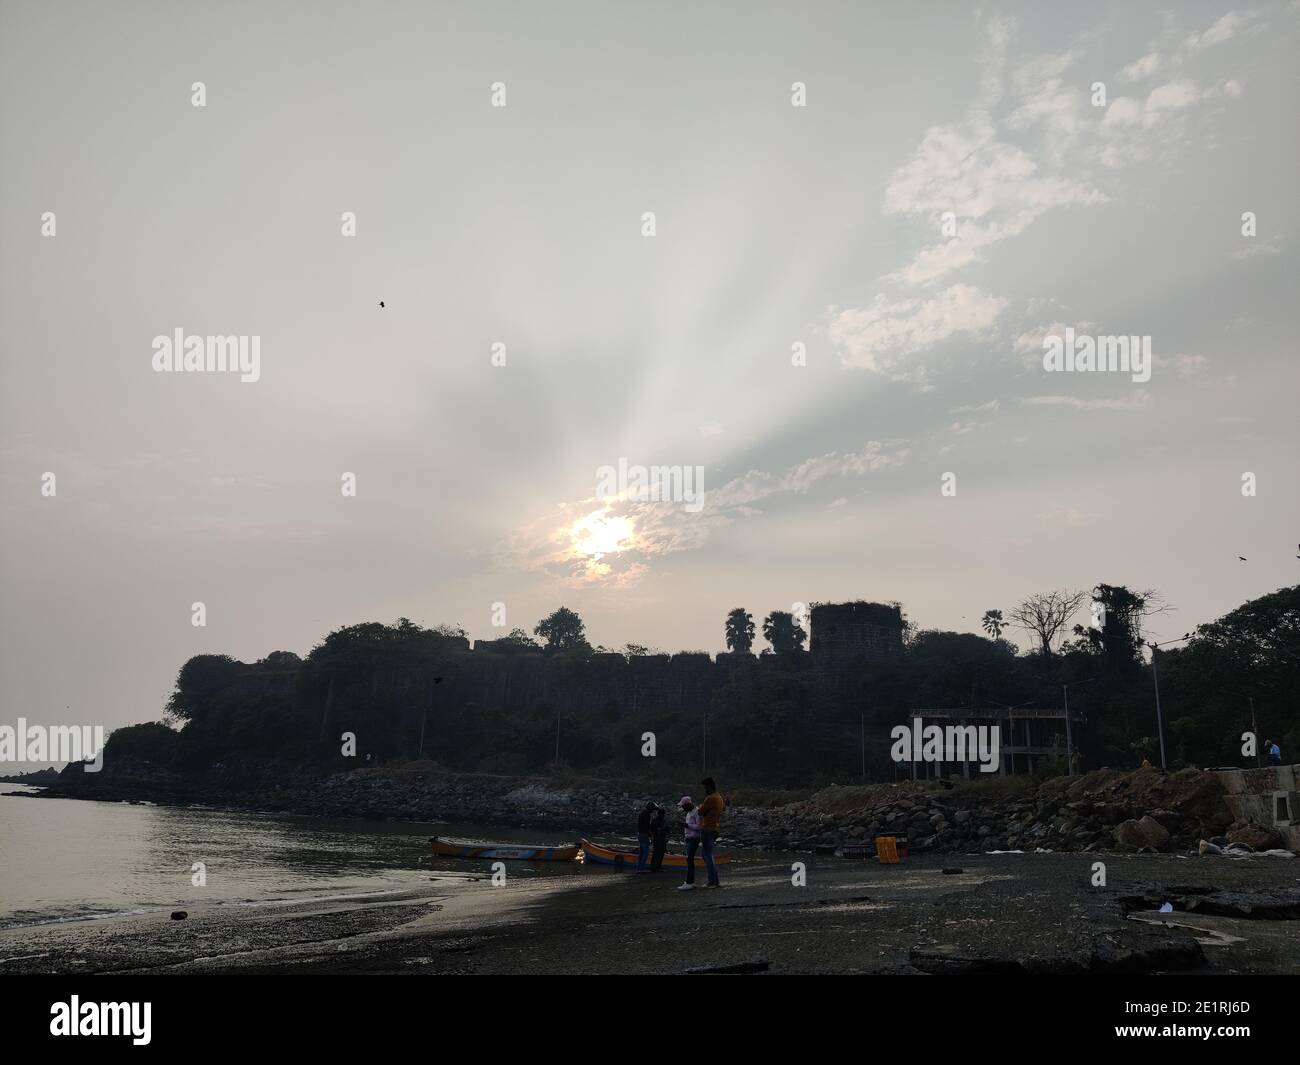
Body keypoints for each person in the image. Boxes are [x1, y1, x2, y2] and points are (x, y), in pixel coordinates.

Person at [696, 777, 725, 888]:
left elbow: (700, 812)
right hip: (715, 829)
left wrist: (699, 807)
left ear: (709, 787)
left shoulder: (710, 798)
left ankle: (712, 881)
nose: (704, 790)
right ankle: (715, 880)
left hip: (708, 828)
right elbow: (724, 809)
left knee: (707, 855)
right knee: (708, 854)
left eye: (705, 787)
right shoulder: (719, 797)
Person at [676, 796, 701, 890]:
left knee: (689, 860)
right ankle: (689, 881)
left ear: (688, 805)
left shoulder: (697, 812)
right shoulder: (689, 813)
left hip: (694, 839)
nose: (682, 808)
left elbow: (699, 826)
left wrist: (687, 825)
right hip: (688, 838)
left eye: (683, 806)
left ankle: (690, 882)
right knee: (689, 860)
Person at [636, 801, 658, 872]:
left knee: (641, 852)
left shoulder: (642, 813)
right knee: (645, 852)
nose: (653, 811)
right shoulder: (647, 815)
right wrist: (651, 836)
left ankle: (639, 868)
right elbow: (647, 827)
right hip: (644, 835)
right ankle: (641, 868)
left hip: (640, 834)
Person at [649, 805, 668, 872]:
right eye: (662, 814)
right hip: (657, 838)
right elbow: (652, 829)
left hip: (662, 839)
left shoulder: (663, 821)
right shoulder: (656, 821)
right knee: (657, 853)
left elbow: (667, 830)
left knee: (660, 853)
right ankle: (654, 867)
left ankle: (657, 866)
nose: (663, 815)